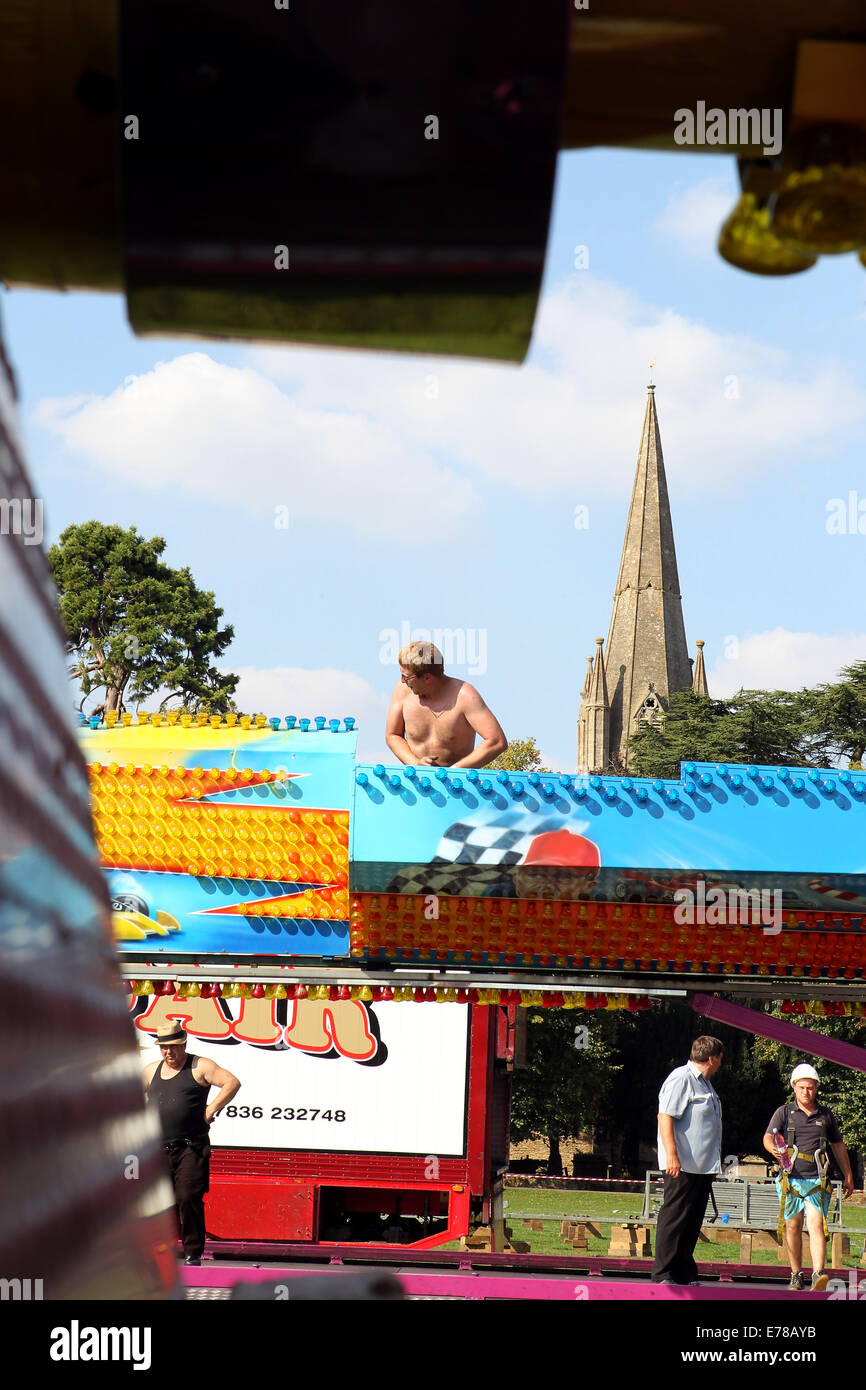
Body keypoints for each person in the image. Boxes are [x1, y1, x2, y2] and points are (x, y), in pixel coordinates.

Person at [143, 1021, 241, 1266]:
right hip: (158, 1149)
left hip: (191, 1147)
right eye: (164, 1048)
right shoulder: (151, 1070)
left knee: (188, 1197)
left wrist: (210, 1110)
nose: (169, 1053)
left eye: (174, 1047)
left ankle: (193, 1253)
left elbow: (231, 1082)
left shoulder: (199, 1066)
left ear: (183, 1044)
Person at [763, 1062, 854, 1293]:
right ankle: (795, 1274)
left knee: (815, 1224)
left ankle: (818, 1274)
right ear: (795, 1087)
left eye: (811, 1088)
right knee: (792, 1226)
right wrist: (773, 1149)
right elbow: (768, 1137)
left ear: (816, 1088)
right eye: (802, 1087)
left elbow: (838, 1146)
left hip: (817, 1179)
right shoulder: (784, 1113)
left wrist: (848, 1175)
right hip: (791, 1179)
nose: (806, 1092)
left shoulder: (825, 1115)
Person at [651, 1036, 724, 1286]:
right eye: (720, 1060)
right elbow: (665, 1116)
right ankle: (663, 1272)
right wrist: (671, 1154)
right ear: (713, 1058)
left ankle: (683, 1270)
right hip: (681, 1164)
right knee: (675, 1217)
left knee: (692, 1220)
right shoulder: (681, 1078)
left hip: (701, 1166)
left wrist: (713, 1163)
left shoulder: (706, 1085)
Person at [385, 641, 507, 769]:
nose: (402, 681)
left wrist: (454, 772)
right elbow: (392, 735)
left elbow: (497, 741)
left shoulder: (465, 696)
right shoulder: (402, 690)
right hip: (417, 781)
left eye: (406, 677)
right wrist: (415, 763)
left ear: (427, 678)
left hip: (458, 785)